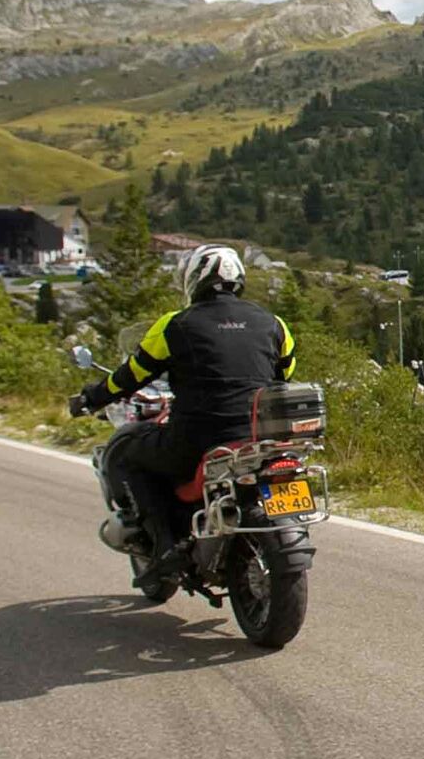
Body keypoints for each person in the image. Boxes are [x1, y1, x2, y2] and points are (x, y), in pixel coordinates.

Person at [72, 244, 296, 590]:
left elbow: (131, 375)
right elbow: (285, 376)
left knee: (124, 451)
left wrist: (92, 396)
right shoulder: (275, 324)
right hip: (260, 437)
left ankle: (164, 545)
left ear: (194, 280)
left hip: (198, 438)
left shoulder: (175, 325)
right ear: (239, 279)